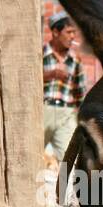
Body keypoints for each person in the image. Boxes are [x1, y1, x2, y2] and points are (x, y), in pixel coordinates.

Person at [43, 11, 87, 161]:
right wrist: (51, 74)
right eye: (68, 32)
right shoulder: (40, 54)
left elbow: (80, 93)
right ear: (55, 32)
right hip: (42, 111)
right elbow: (28, 84)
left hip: (66, 114)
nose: (72, 36)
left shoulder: (75, 60)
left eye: (74, 32)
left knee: (69, 161)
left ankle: (67, 185)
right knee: (30, 156)